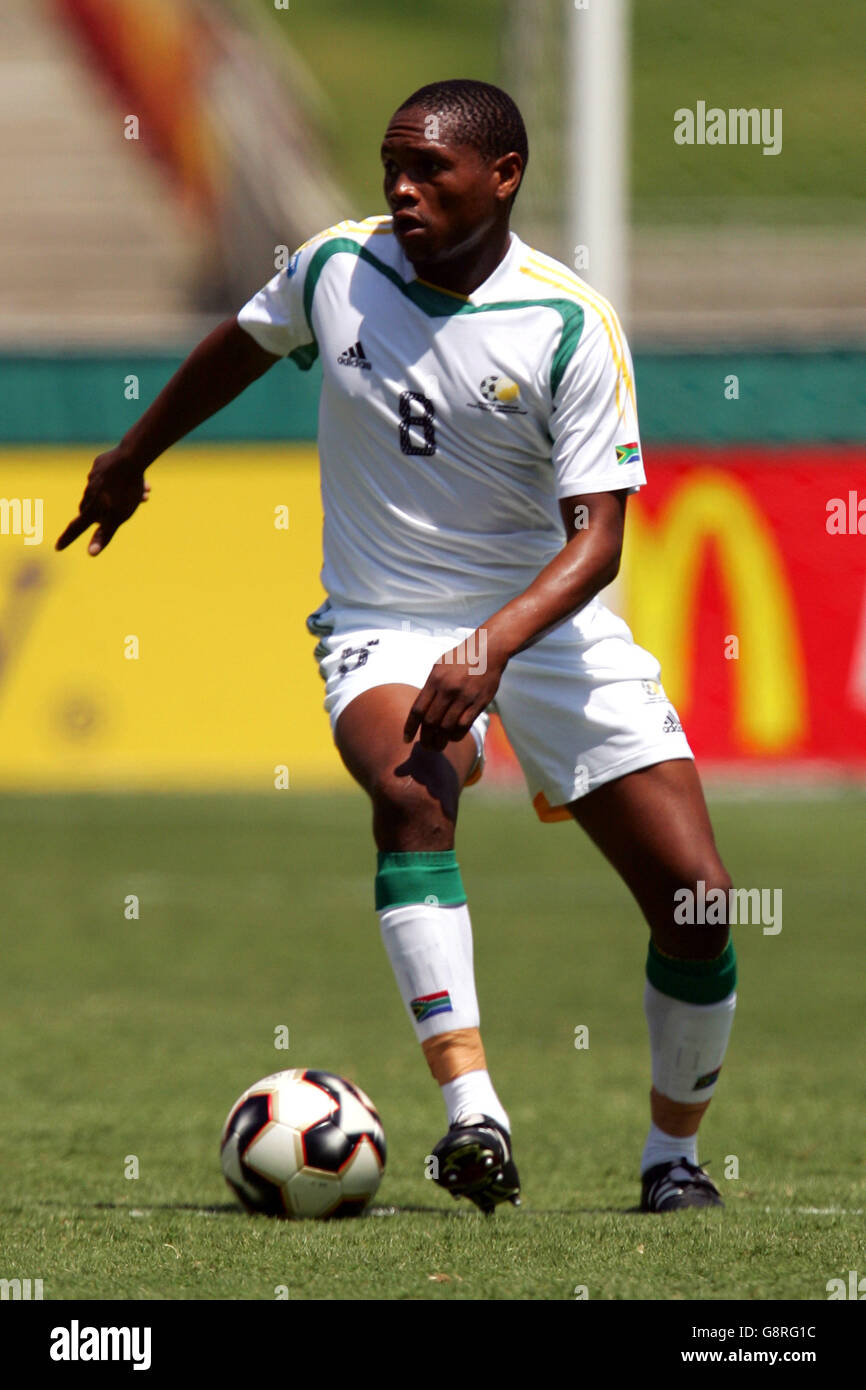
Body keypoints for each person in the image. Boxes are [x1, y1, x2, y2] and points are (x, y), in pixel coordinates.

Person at [57, 78, 737, 1216]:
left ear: (503, 177)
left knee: (699, 900)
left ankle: (671, 1158)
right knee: (409, 792)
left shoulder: (565, 321)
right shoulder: (336, 267)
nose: (402, 191)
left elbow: (599, 542)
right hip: (382, 621)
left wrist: (494, 647)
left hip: (544, 621)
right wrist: (133, 456)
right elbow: (240, 341)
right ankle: (475, 1114)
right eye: (391, 168)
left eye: (431, 172)